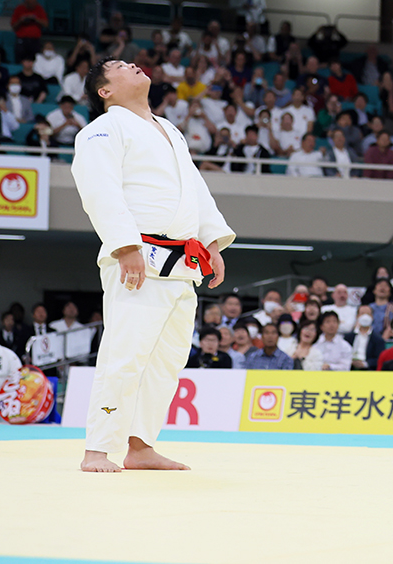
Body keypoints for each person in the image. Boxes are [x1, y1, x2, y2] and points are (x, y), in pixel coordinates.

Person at [72, 58, 234, 473]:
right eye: (121, 66)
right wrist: (124, 245)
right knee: (124, 354)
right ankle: (97, 448)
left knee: (167, 360)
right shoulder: (102, 130)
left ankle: (140, 446)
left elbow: (194, 188)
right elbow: (99, 190)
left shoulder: (170, 129)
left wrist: (212, 241)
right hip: (138, 260)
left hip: (182, 262)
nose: (133, 64)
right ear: (104, 91)